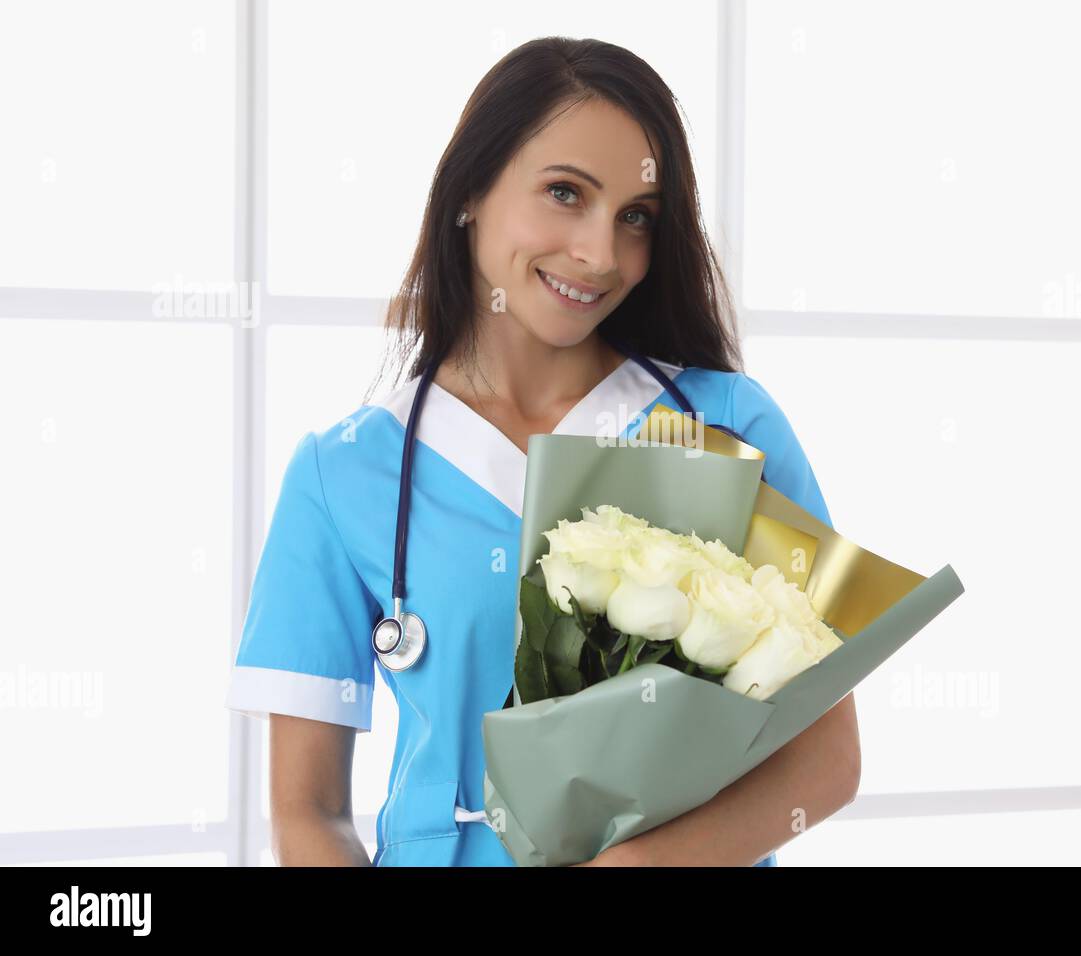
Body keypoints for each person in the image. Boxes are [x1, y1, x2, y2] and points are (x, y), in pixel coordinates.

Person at [224, 36, 861, 867]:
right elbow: (306, 812)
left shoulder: (730, 427)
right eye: (565, 193)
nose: (600, 255)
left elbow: (825, 760)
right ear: (469, 192)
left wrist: (641, 865)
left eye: (636, 217)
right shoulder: (342, 473)